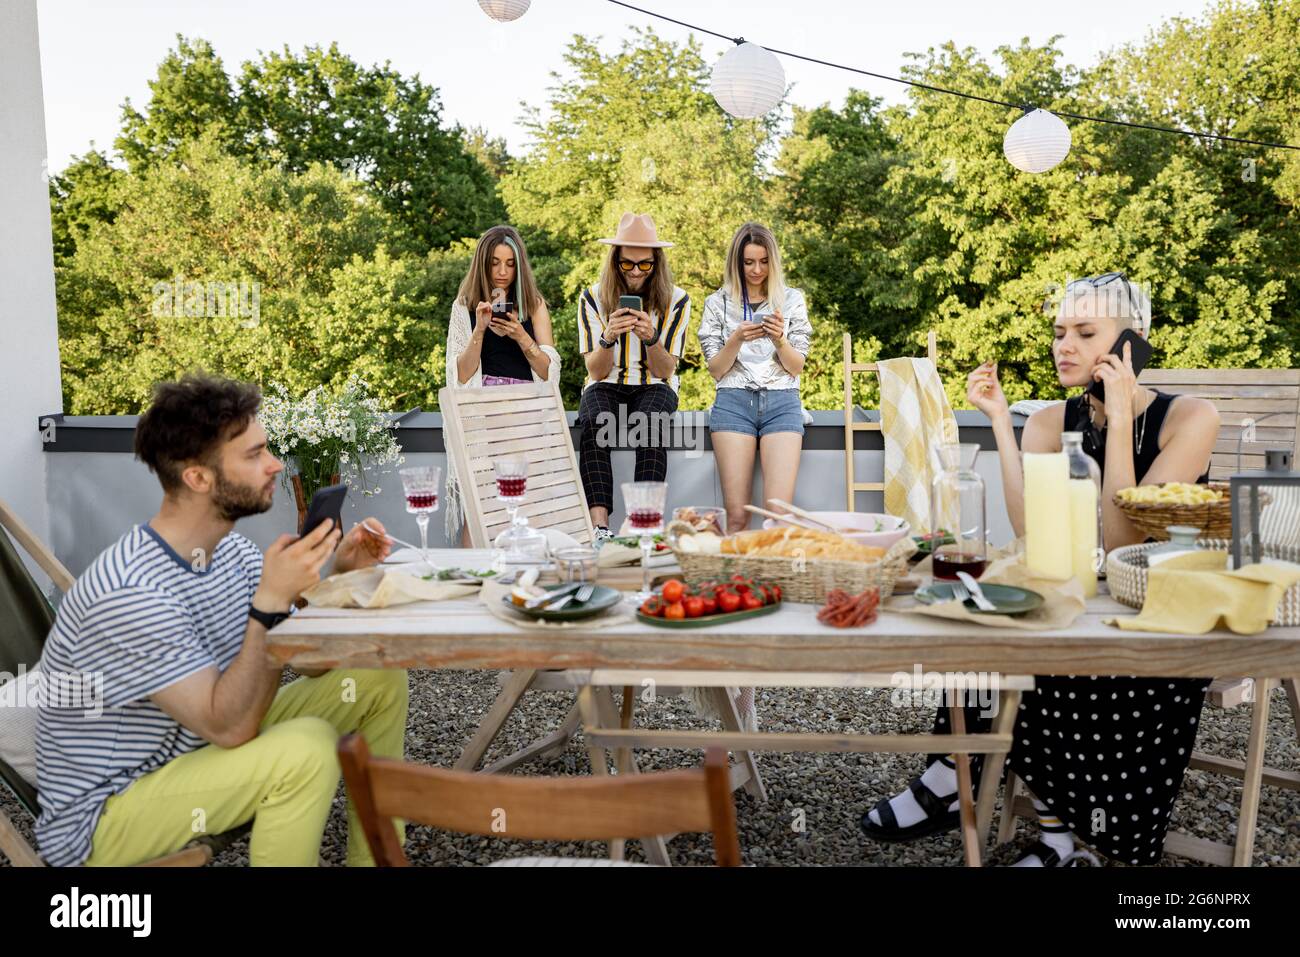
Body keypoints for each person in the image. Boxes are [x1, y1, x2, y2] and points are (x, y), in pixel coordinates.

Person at [861, 273, 1221, 866]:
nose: (1064, 346)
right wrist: (1002, 423)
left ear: (1133, 343)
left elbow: (1123, 537)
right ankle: (976, 786)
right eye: (1059, 332)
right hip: (1076, 599)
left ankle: (1070, 838)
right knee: (984, 627)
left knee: (1057, 668)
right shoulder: (1050, 421)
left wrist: (1123, 418)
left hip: (1156, 618)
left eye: (1085, 332)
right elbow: (1033, 532)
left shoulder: (1190, 419)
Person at [35, 374, 407, 867]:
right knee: (305, 750)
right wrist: (270, 603)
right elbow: (229, 728)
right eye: (254, 455)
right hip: (109, 814)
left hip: (195, 747)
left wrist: (337, 575)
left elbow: (311, 664)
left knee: (375, 679)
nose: (275, 465)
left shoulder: (228, 550)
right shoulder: (130, 591)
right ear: (198, 477)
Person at [577, 213, 690, 541]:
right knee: (595, 422)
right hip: (606, 382)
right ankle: (600, 527)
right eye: (628, 264)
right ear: (615, 262)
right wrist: (608, 337)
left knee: (651, 421)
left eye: (645, 265)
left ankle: (645, 524)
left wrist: (651, 338)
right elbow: (595, 372)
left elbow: (666, 370)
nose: (637, 272)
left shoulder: (677, 299)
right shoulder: (592, 297)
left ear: (658, 262)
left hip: (654, 383)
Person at [445, 225, 559, 544]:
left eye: (510, 264)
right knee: (480, 508)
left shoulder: (534, 305)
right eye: (495, 262)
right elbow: (461, 375)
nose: (502, 272)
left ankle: (522, 582)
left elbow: (548, 371)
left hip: (525, 416)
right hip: (484, 418)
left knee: (524, 505)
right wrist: (479, 330)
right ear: (483, 263)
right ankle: (473, 581)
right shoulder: (464, 307)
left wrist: (522, 337)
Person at [698, 222, 812, 534]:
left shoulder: (792, 300)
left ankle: (774, 583)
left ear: (772, 262)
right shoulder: (716, 303)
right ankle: (736, 584)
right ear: (737, 263)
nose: (756, 270)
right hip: (733, 401)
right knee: (736, 516)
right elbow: (716, 369)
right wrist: (735, 339)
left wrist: (779, 341)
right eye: (748, 262)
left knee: (777, 516)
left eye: (763, 262)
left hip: (783, 402)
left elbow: (796, 366)